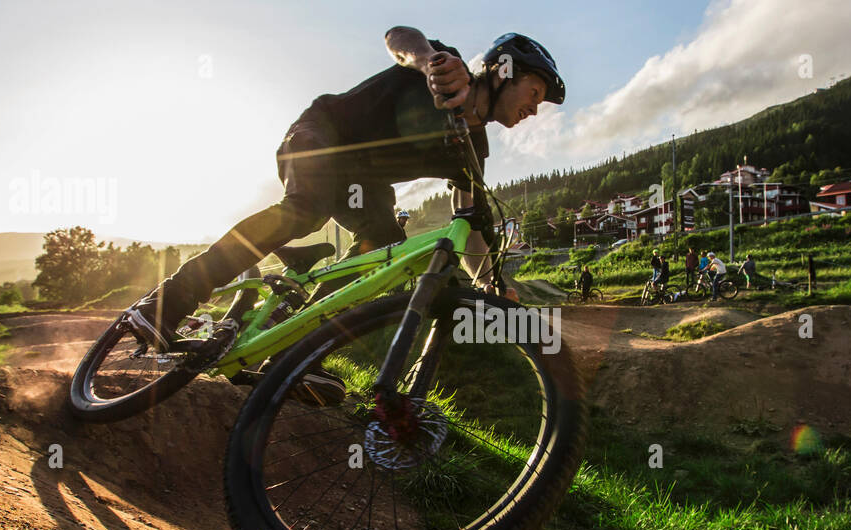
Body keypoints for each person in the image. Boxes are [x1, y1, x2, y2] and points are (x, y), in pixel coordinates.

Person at [125, 29, 565, 359]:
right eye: (535, 93)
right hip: (320, 133)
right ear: (504, 70)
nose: (533, 108)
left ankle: (293, 351)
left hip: (360, 185)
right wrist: (429, 59)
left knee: (385, 246)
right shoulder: (444, 71)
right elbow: (399, 38)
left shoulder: (472, 151)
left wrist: (488, 280)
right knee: (303, 212)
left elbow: (469, 224)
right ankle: (168, 303)